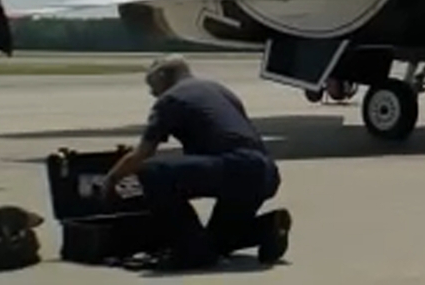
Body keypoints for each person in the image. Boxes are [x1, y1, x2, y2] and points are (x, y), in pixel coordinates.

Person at [103, 55, 290, 270]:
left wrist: (111, 180)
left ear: (164, 76)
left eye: (152, 85)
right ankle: (266, 227)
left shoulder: (171, 99)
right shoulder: (219, 90)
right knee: (215, 241)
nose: (152, 93)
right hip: (265, 173)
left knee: (151, 173)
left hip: (236, 168)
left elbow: (143, 154)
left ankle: (190, 252)